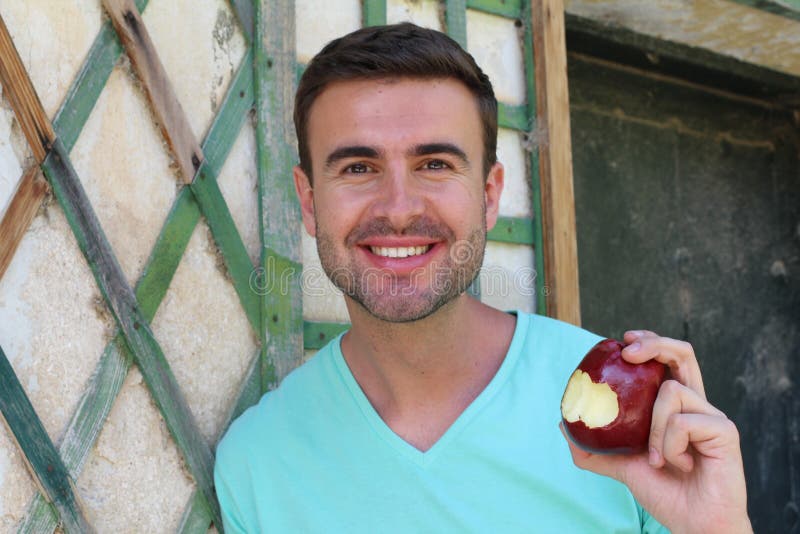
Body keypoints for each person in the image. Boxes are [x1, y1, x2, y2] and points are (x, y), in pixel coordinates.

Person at [214, 22, 751, 533]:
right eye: (358, 168)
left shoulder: (633, 418)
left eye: (435, 165)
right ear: (309, 203)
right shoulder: (256, 464)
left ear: (490, 196)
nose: (398, 209)